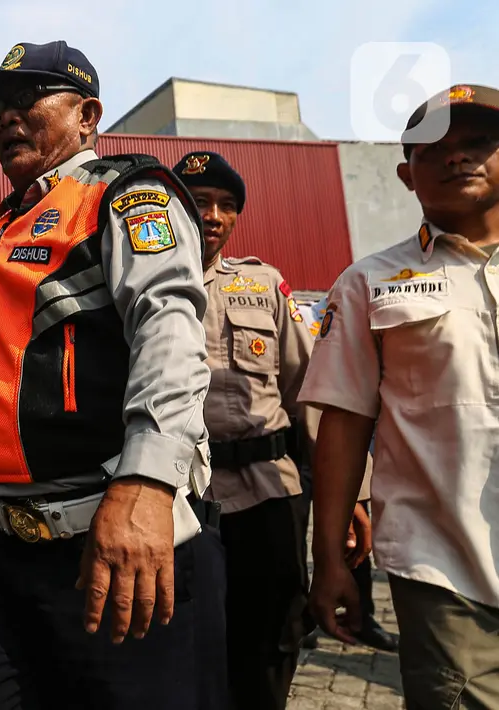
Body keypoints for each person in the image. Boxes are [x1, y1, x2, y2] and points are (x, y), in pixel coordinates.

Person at [0, 40, 227, 710]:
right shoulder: (6, 224)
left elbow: (169, 329)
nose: (4, 118)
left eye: (25, 99)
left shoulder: (127, 193)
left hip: (116, 544)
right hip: (3, 552)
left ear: (87, 114)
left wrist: (146, 484)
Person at [301, 84, 499, 708]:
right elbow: (343, 423)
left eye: (479, 144)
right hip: (446, 573)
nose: (458, 159)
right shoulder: (368, 284)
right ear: (406, 174)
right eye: (434, 149)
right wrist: (330, 557)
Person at [172, 151, 316, 709]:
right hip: (184, 495)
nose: (213, 215)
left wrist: (352, 495)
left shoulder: (263, 284)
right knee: (190, 634)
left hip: (269, 490)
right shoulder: (135, 290)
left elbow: (311, 393)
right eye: (200, 201)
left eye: (226, 206)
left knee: (276, 631)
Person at [294, 299, 395, 654]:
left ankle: (361, 615)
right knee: (296, 540)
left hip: (347, 445)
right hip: (295, 447)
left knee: (354, 543)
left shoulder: (364, 313)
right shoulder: (301, 314)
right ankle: (302, 617)